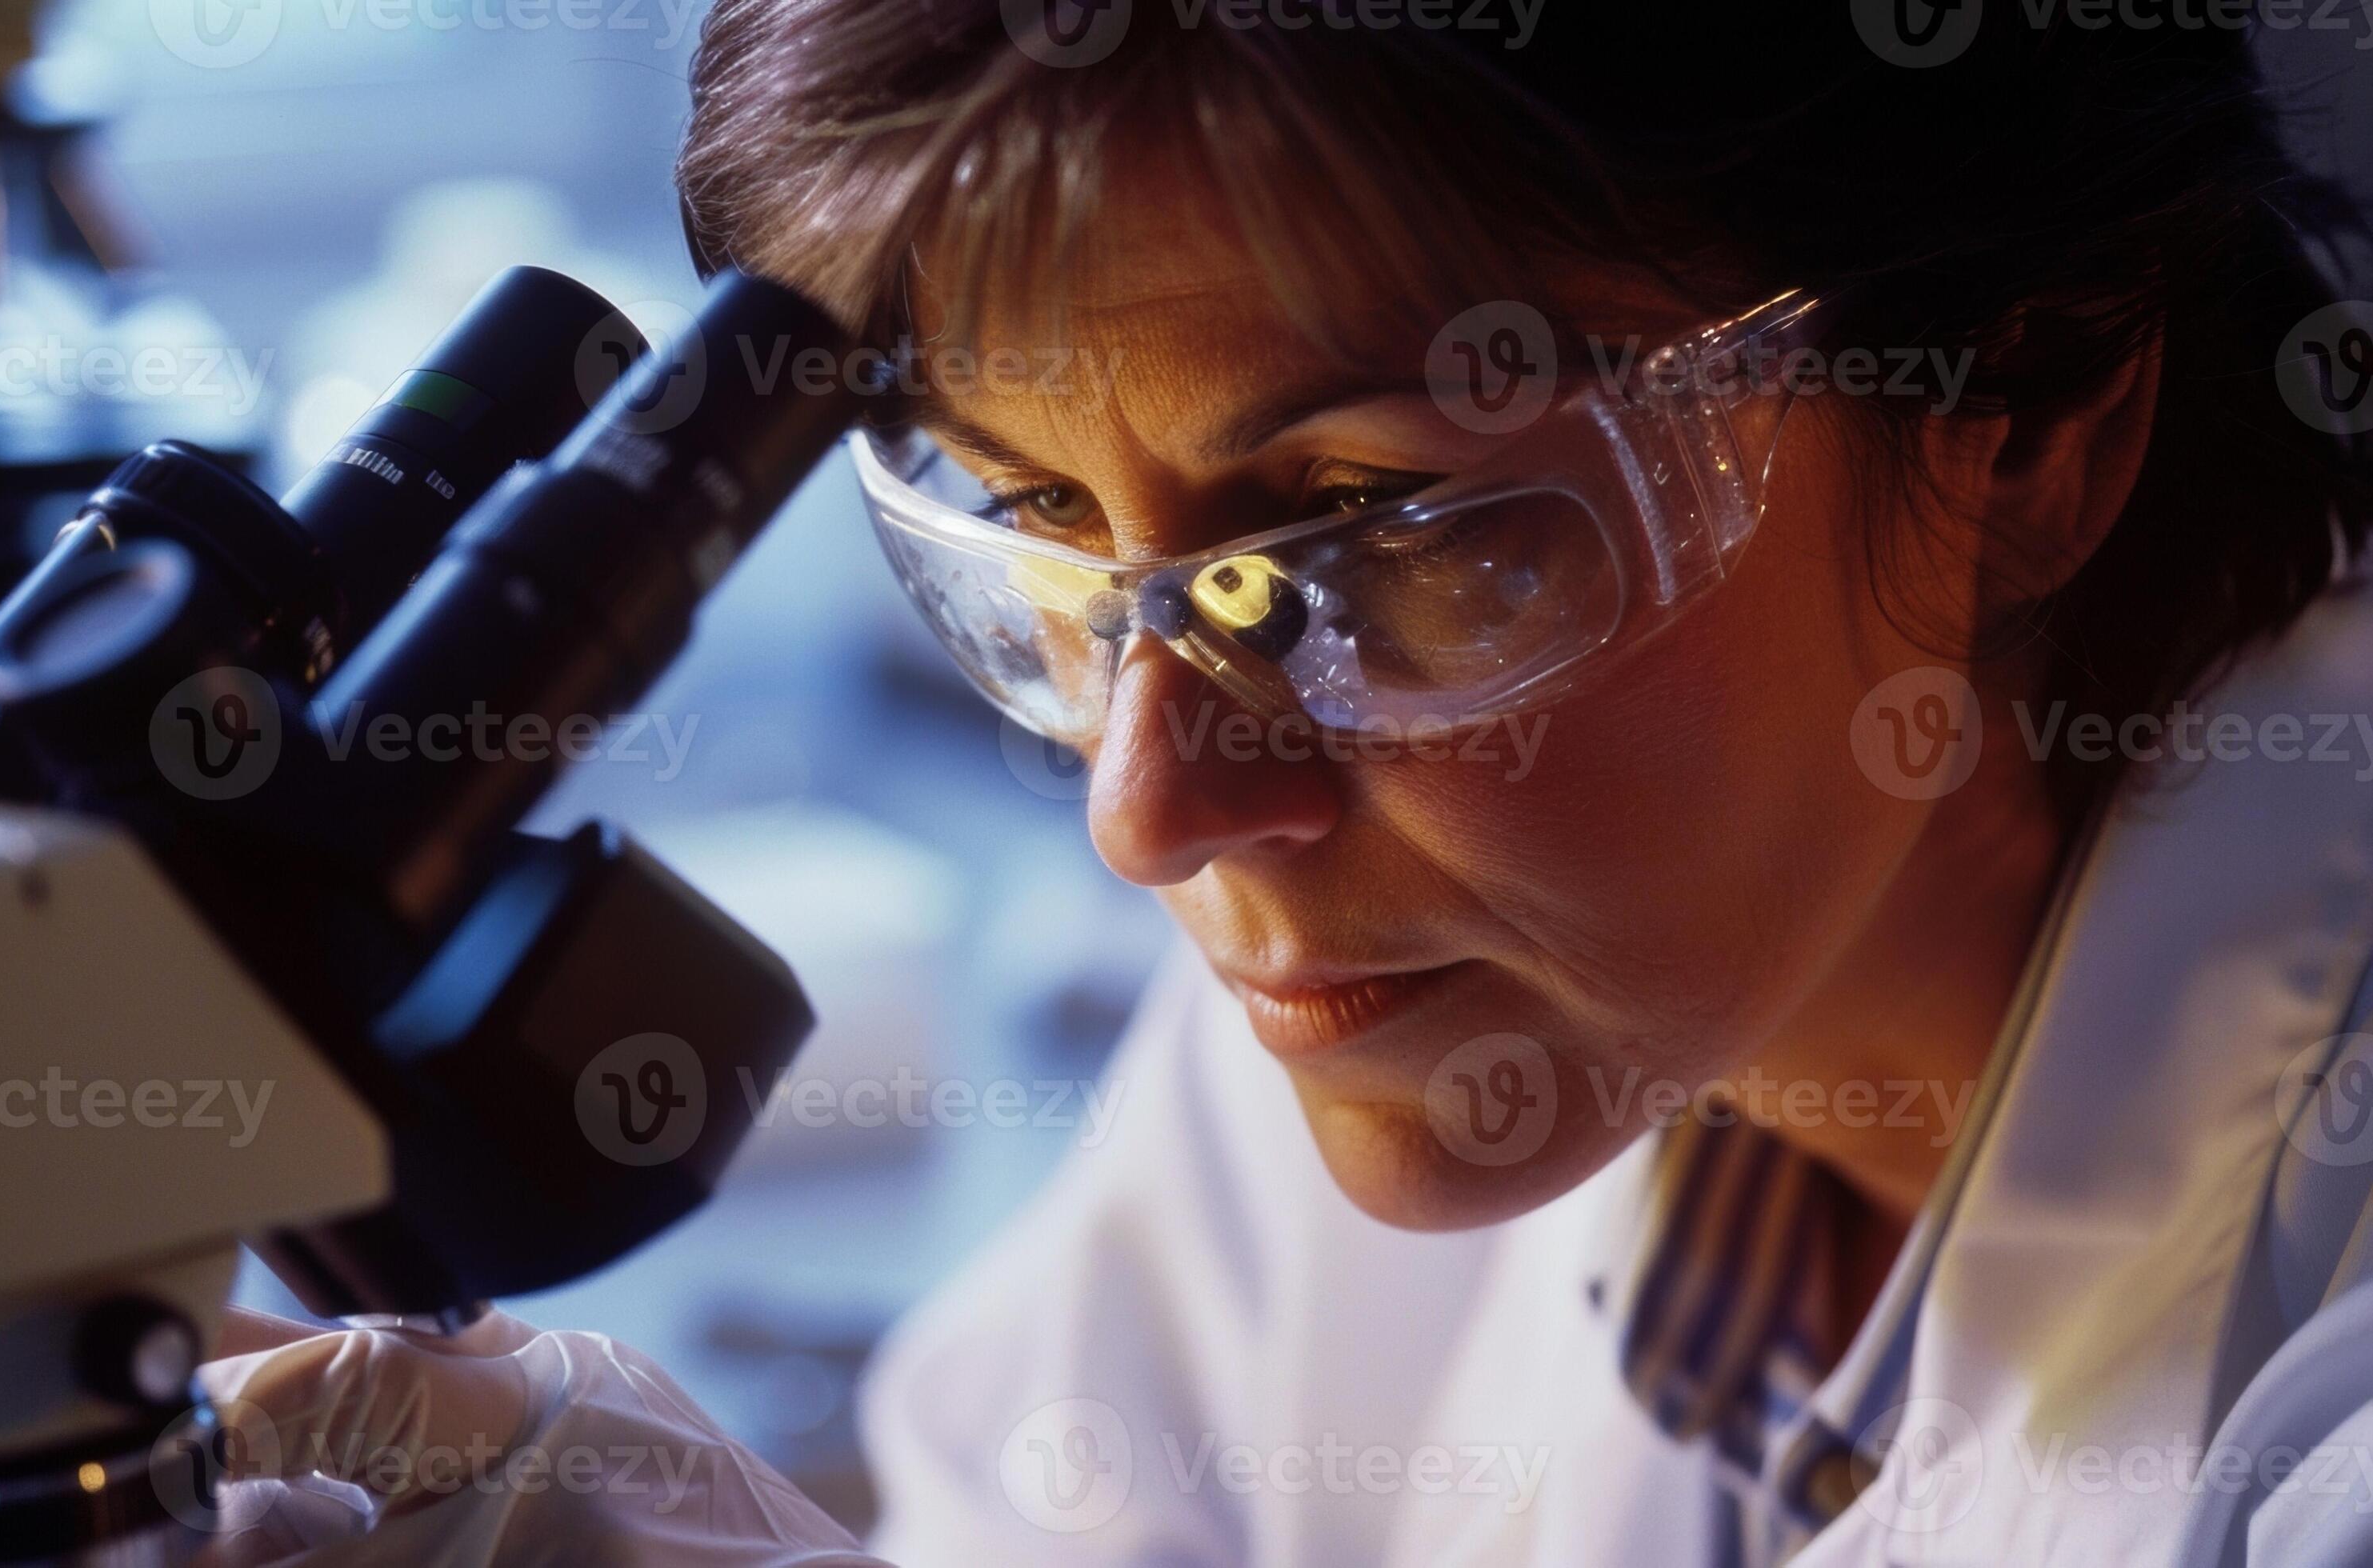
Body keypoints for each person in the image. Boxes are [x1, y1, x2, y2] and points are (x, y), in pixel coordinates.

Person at [200, 4, 2373, 1562]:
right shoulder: (1397, 995)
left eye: (1379, 527)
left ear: (2024, 420)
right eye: (1041, 521)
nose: (1151, 809)